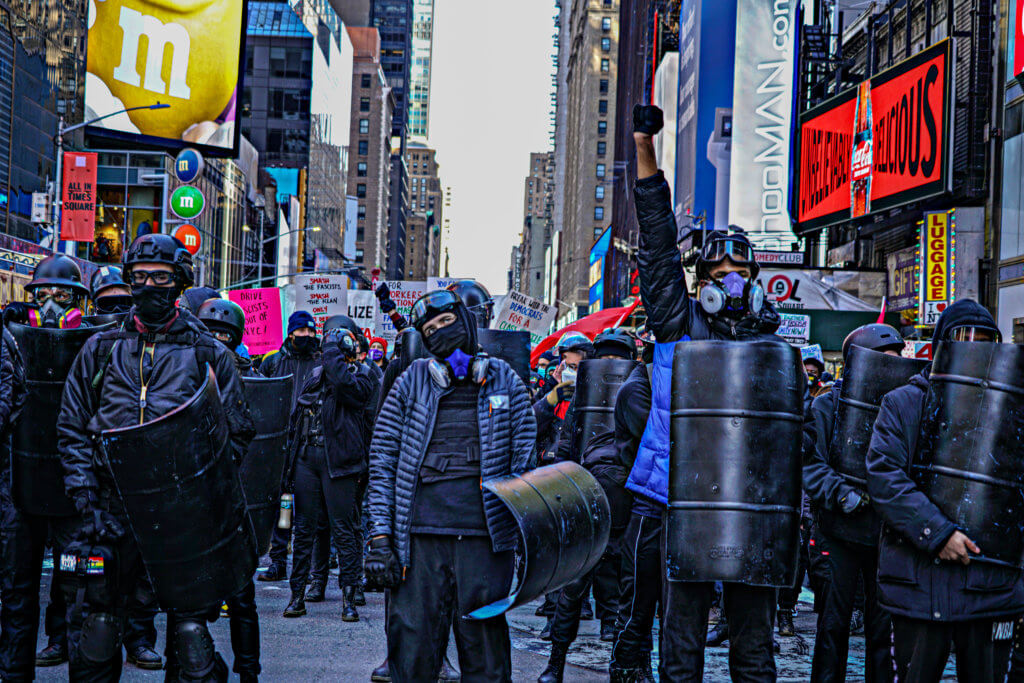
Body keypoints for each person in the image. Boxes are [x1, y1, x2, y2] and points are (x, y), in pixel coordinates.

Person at [628, 104, 785, 681]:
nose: (732, 285)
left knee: (754, 649)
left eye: (740, 275)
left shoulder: (771, 347)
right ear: (703, 286)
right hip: (680, 501)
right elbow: (657, 244)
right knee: (681, 644)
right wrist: (645, 146)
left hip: (751, 508)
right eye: (719, 277)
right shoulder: (678, 321)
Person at [56, 233, 255, 681]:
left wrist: (200, 494)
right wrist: (86, 498)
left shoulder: (209, 353)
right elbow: (71, 424)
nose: (149, 286)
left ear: (179, 283)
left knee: (190, 635)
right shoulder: (100, 348)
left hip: (182, 514)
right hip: (110, 508)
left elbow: (238, 433)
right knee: (98, 627)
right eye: (140, 277)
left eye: (161, 277)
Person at [365, 288, 536, 682]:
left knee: (486, 658)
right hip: (419, 541)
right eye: (430, 330)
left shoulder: (504, 380)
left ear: (465, 321)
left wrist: (524, 538)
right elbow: (383, 463)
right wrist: (379, 539)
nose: (440, 332)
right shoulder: (410, 382)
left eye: (446, 322)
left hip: (486, 541)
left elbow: (524, 461)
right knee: (412, 655)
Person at [866, 300, 1019, 682]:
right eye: (963, 341)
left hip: (989, 588)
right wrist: (938, 534)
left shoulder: (1010, 412)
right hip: (920, 584)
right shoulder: (903, 403)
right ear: (938, 347)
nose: (973, 350)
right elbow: (885, 477)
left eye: (984, 342)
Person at [803, 324, 907, 681]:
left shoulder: (905, 408)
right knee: (833, 627)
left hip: (886, 537)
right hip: (838, 532)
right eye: (883, 361)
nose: (891, 369)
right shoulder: (827, 405)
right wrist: (840, 493)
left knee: (884, 633)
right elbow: (809, 463)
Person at [539, 328, 638, 682]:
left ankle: (628, 664)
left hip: (630, 501)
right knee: (573, 589)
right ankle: (556, 661)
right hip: (590, 499)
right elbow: (567, 445)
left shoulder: (645, 391)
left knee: (632, 593)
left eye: (618, 358)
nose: (611, 365)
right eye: (605, 358)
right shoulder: (583, 396)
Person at [280, 327, 377, 622]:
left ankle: (349, 596)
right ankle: (297, 594)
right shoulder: (315, 376)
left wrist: (333, 350)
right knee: (304, 529)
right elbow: (298, 419)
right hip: (308, 459)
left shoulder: (361, 376)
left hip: (341, 464)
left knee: (345, 530)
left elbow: (348, 388)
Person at [196, 297, 262, 681]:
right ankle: (198, 666)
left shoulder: (250, 377)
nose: (218, 340)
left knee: (241, 596)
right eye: (211, 333)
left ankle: (249, 671)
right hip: (196, 498)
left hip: (236, 498)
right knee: (192, 601)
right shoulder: (184, 373)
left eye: (225, 334)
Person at [258, 310, 321, 583]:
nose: (306, 336)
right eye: (301, 331)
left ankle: (304, 566)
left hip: (309, 443)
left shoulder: (322, 362)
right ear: (290, 333)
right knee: (282, 505)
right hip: (280, 444)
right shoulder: (272, 362)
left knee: (308, 509)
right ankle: (279, 561)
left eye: (310, 331)